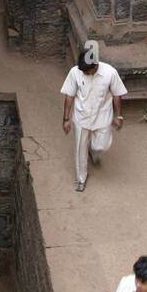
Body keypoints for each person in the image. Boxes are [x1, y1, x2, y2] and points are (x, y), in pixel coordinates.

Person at [60, 39, 127, 191]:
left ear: (95, 65)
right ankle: (81, 179)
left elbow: (117, 95)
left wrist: (119, 116)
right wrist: (66, 119)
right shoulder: (75, 72)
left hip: (102, 117)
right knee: (79, 149)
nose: (83, 73)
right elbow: (69, 95)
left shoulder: (110, 73)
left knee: (101, 145)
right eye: (82, 70)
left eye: (86, 71)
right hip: (81, 118)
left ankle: (93, 148)